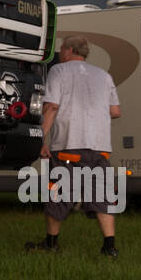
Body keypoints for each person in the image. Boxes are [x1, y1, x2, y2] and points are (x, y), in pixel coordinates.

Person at [25, 34, 122, 257]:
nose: (60, 53)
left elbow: (50, 107)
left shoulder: (59, 71)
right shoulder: (103, 75)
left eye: (61, 49)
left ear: (68, 50)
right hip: (99, 146)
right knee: (101, 195)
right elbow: (115, 111)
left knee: (59, 195)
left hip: (69, 144)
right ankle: (109, 246)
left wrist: (41, 139)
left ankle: (51, 244)